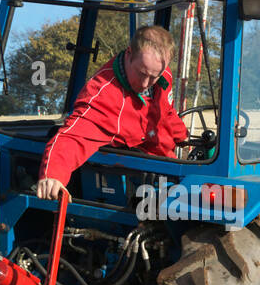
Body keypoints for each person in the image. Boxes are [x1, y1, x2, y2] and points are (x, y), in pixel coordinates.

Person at [37, 25, 189, 199]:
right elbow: (73, 136)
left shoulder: (162, 74)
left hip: (167, 165)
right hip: (142, 176)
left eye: (154, 77)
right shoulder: (103, 95)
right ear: (129, 54)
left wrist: (182, 135)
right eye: (141, 73)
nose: (146, 83)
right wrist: (53, 175)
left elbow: (166, 111)